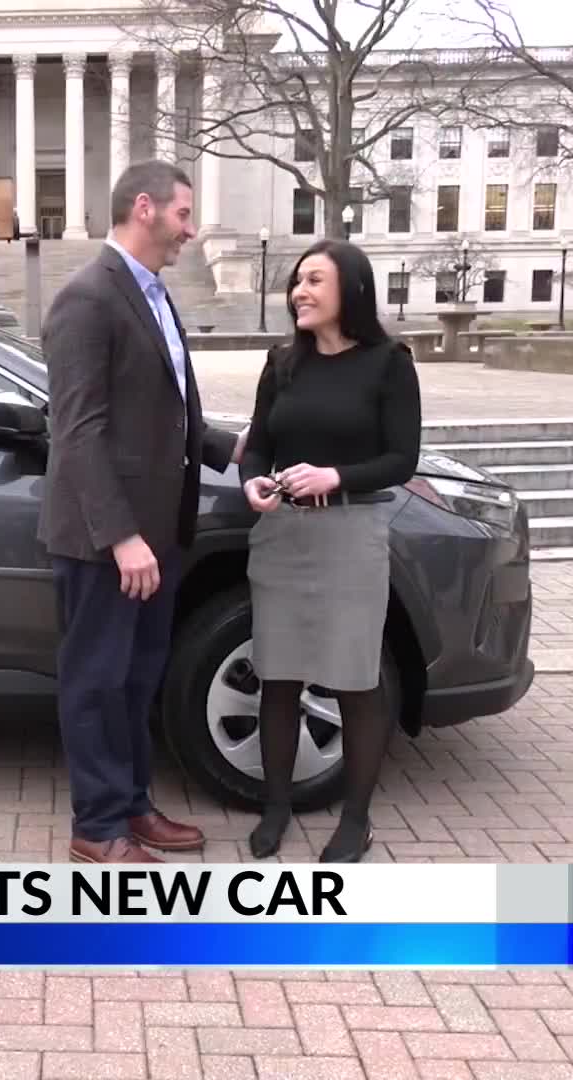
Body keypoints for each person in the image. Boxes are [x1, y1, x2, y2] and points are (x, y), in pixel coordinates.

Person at [37, 160, 244, 864]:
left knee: (135, 682)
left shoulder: (153, 295)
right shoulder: (86, 299)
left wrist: (236, 448)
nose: (192, 230)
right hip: (106, 543)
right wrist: (122, 536)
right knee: (96, 682)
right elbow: (80, 431)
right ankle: (97, 830)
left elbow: (169, 413)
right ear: (147, 208)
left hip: (158, 535)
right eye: (186, 215)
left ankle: (131, 805)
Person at [238, 238, 421, 864]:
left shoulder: (389, 362)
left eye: (314, 280)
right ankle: (277, 805)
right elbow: (259, 444)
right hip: (282, 535)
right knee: (279, 677)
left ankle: (356, 818)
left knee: (353, 680)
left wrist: (335, 476)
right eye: (296, 282)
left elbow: (402, 458)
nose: (300, 292)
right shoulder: (282, 361)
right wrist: (253, 482)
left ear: (352, 289)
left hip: (350, 536)